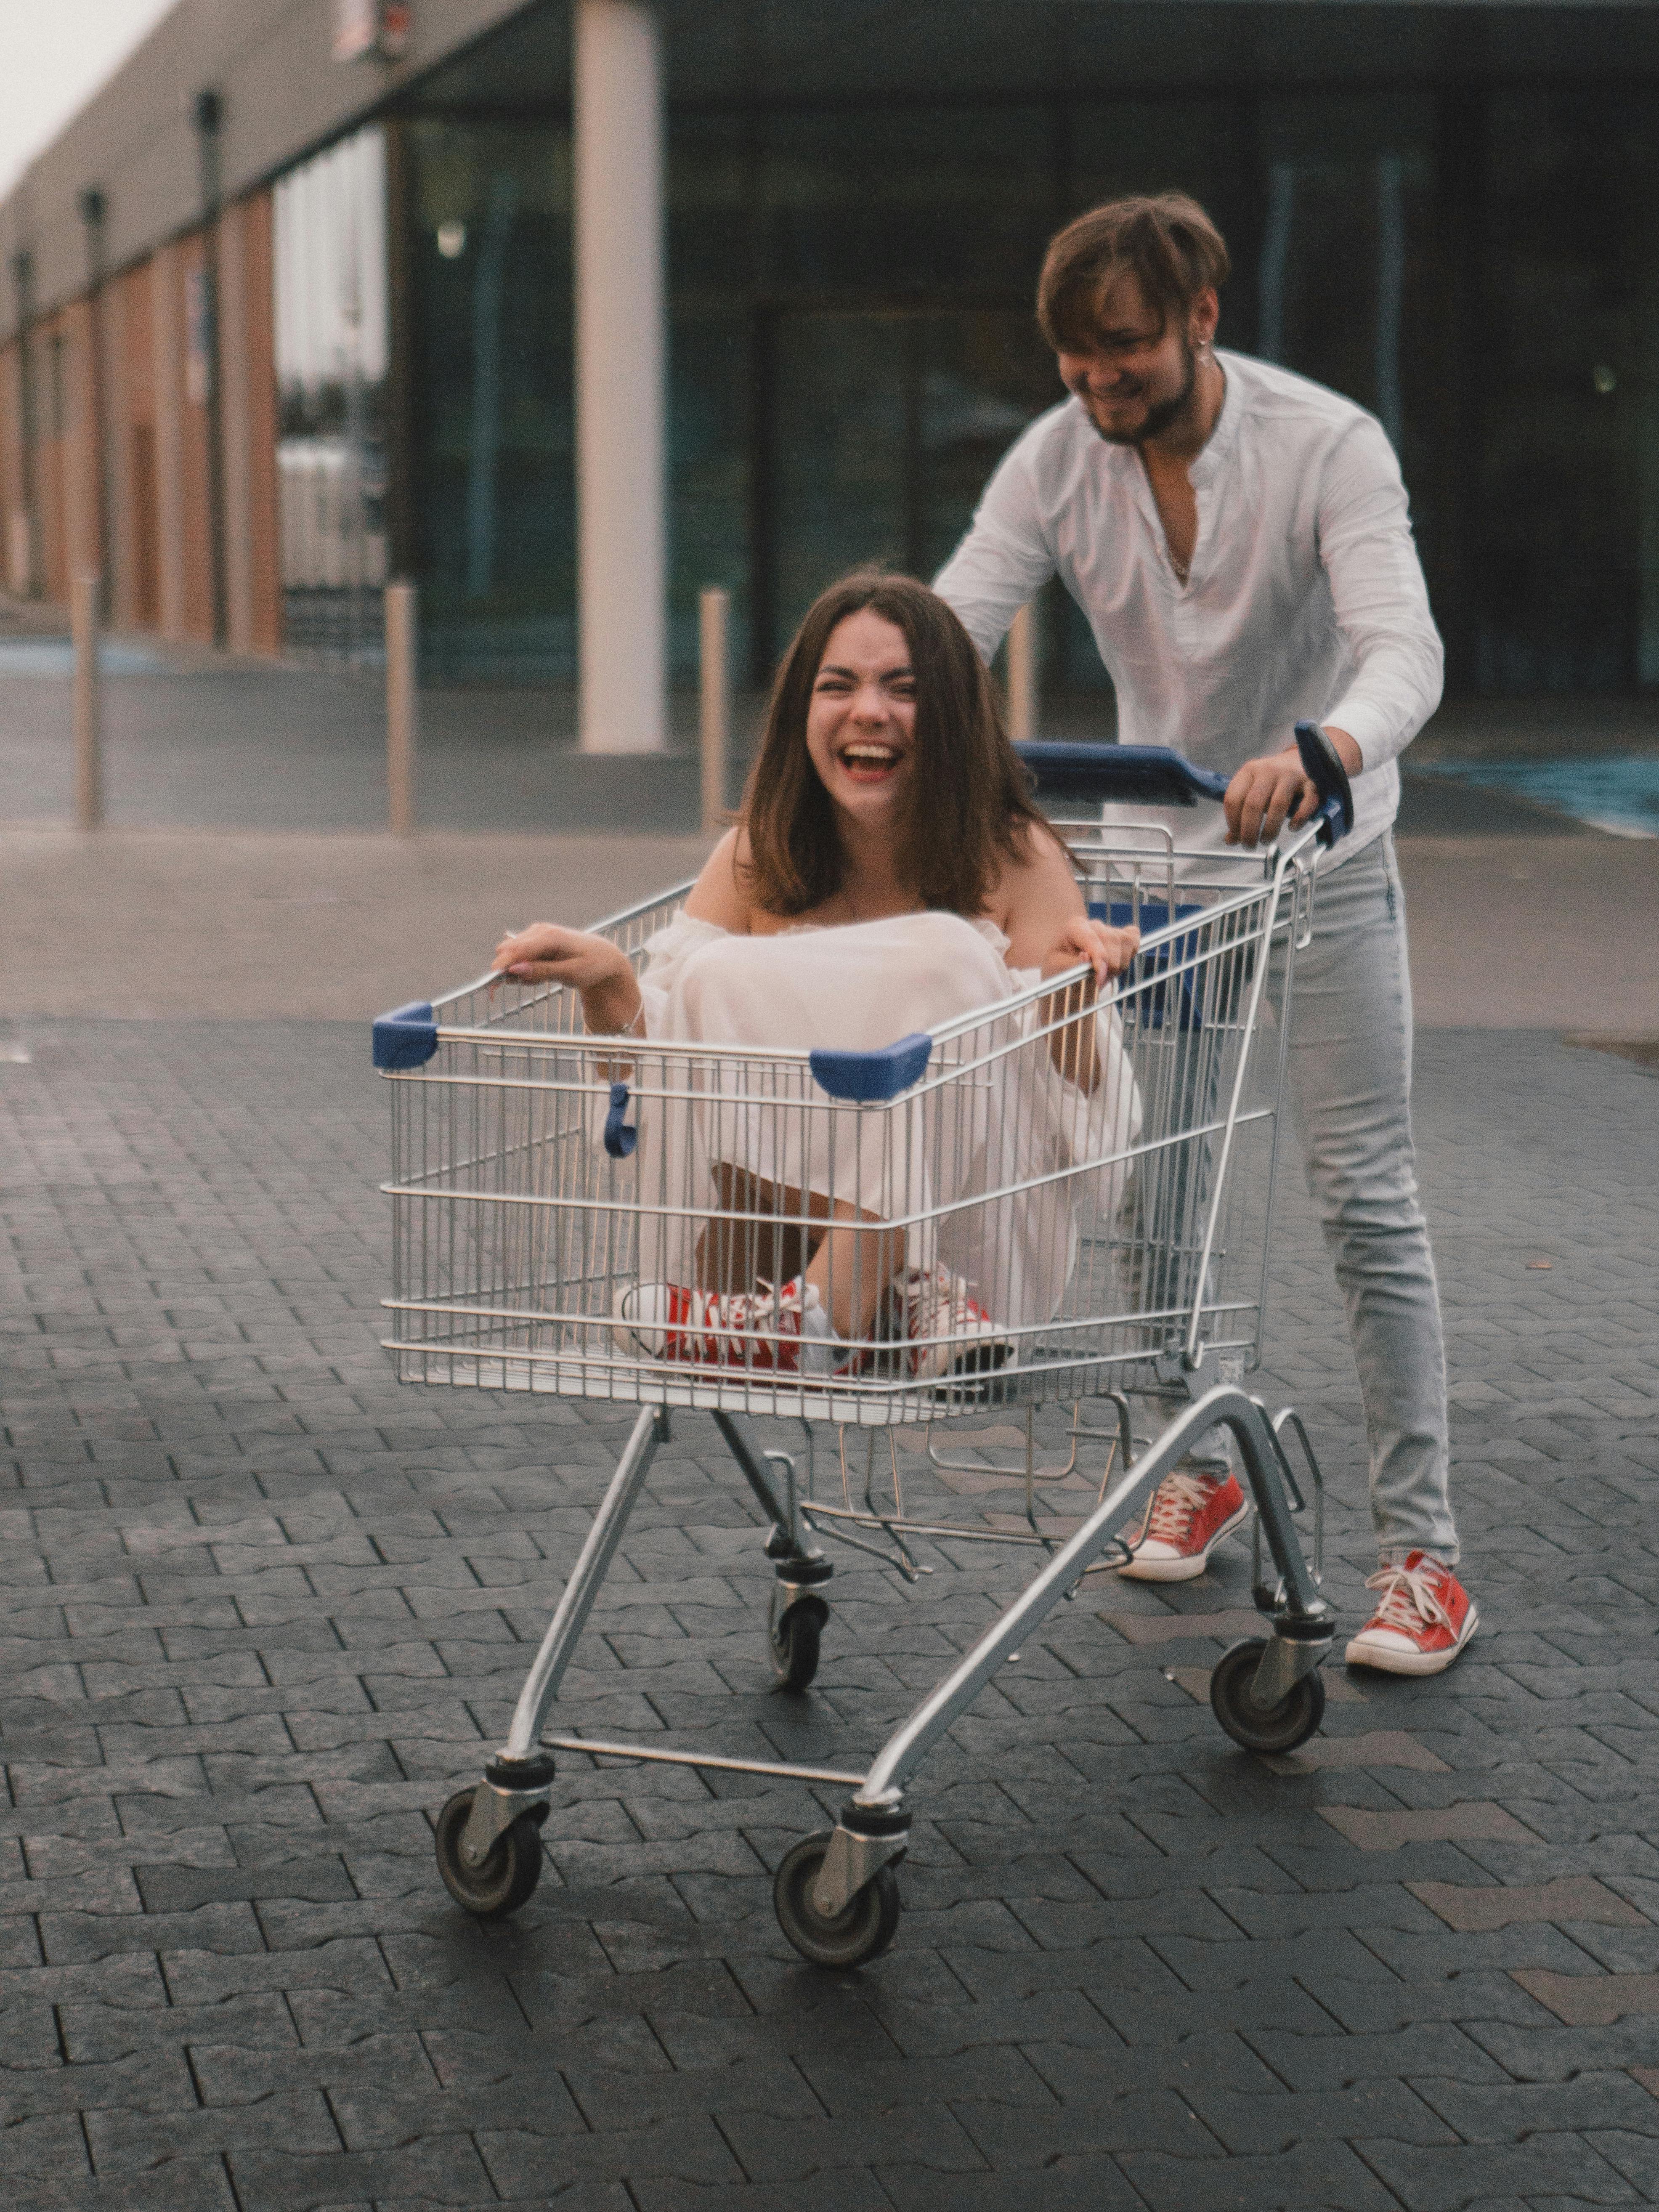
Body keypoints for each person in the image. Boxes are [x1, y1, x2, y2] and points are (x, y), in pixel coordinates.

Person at [933, 192, 1475, 1676]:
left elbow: (1404, 648)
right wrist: (868, 723)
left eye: (1122, 350)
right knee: (1158, 1200)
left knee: (1363, 1201)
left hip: (1320, 870)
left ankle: (1421, 1552)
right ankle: (1202, 1449)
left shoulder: (1327, 446)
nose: (1097, 383)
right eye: (1073, 357)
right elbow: (946, 628)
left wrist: (1327, 750)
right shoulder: (1058, 461)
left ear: (1198, 322)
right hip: (1153, 888)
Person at [491, 571, 1142, 1383]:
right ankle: (832, 1303)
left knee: (946, 959)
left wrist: (1070, 1005)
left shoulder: (1016, 859)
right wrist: (613, 989)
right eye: (839, 686)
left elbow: (1080, 1133)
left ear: (951, 718)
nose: (868, 710)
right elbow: (666, 1094)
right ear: (805, 713)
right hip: (762, 1266)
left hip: (968, 1280)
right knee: (715, 976)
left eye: (902, 689)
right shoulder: (758, 858)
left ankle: (833, 1307)